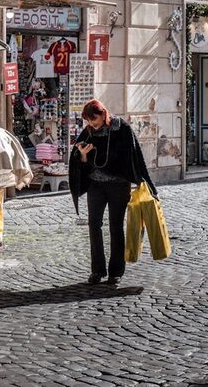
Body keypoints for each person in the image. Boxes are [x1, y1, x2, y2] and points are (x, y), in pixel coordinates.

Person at [69, 100, 157, 286]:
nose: (92, 123)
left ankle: (115, 272)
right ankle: (97, 271)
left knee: (116, 227)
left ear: (103, 114)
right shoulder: (89, 132)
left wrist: (143, 181)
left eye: (95, 119)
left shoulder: (121, 129)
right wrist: (84, 155)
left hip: (118, 186)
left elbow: (133, 156)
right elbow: (81, 162)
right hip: (96, 186)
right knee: (94, 225)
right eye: (89, 120)